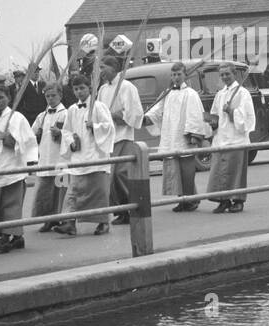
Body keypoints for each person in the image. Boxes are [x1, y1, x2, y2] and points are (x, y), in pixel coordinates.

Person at [52, 75, 116, 235]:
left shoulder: (99, 107)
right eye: (76, 89)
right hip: (79, 156)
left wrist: (94, 126)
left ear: (90, 88)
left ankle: (103, 222)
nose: (79, 92)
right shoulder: (72, 110)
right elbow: (66, 130)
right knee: (74, 191)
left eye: (82, 88)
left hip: (95, 155)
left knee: (98, 191)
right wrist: (71, 140)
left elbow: (109, 127)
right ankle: (69, 221)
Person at [0, 86, 38, 253]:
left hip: (12, 169)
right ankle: (17, 238)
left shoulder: (17, 118)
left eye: (1, 97)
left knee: (11, 205)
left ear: (9, 98)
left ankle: (6, 238)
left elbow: (28, 141)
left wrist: (11, 139)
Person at [143, 63, 208, 212]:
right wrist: (146, 117)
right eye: (173, 75)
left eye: (179, 74)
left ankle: (191, 200)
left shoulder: (190, 93)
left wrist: (193, 135)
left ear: (185, 75)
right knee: (175, 171)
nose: (176, 78)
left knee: (187, 171)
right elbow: (157, 110)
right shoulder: (167, 93)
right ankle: (183, 199)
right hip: (171, 136)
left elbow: (195, 115)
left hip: (184, 137)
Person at [97, 56, 144, 227]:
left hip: (123, 136)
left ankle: (132, 207)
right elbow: (100, 111)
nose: (101, 71)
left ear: (113, 68)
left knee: (120, 174)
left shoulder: (126, 87)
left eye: (103, 67)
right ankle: (121, 210)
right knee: (110, 177)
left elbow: (135, 113)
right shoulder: (102, 90)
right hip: (108, 138)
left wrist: (118, 116)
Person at [207, 63, 256, 212]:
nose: (224, 77)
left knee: (236, 171)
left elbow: (247, 117)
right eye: (222, 75)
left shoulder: (242, 93)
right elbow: (215, 114)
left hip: (236, 138)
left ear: (234, 74)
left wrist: (231, 111)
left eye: (227, 74)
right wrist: (211, 121)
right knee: (220, 171)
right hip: (222, 137)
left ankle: (238, 200)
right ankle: (223, 200)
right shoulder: (220, 94)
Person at [31, 84, 69, 231]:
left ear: (60, 96)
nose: (51, 99)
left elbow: (71, 134)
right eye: (48, 96)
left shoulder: (65, 114)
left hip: (60, 159)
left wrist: (61, 133)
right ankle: (48, 218)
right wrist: (36, 135)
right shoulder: (42, 116)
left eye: (53, 95)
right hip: (45, 158)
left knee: (60, 190)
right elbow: (31, 133)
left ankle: (62, 218)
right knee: (46, 191)